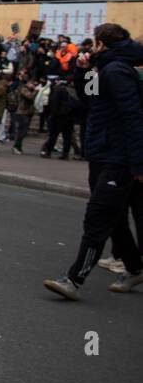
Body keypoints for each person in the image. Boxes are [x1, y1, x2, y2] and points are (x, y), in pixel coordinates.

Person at [43, 24, 143, 299]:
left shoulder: (118, 70)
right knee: (115, 219)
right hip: (102, 153)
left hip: (118, 158)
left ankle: (74, 279)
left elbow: (133, 118)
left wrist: (137, 164)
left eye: (94, 45)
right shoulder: (106, 68)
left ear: (101, 44)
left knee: (98, 216)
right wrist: (82, 70)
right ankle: (135, 267)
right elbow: (90, 98)